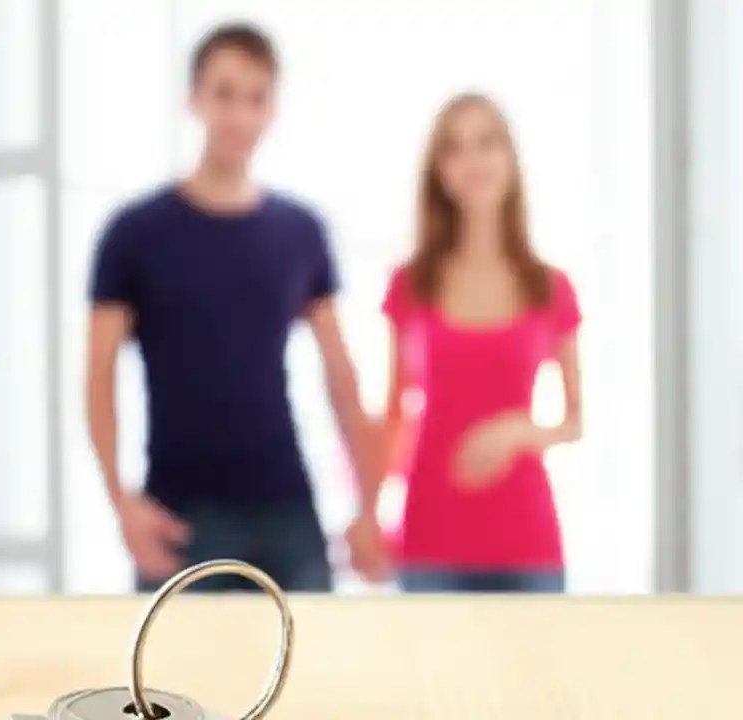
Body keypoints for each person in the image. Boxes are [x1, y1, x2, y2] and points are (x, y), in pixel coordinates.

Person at [85, 23, 378, 593]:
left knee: (309, 676)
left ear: (273, 108)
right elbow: (98, 376)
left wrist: (369, 505)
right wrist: (121, 503)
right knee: (177, 681)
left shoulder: (301, 232)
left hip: (290, 511)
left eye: (256, 97)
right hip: (181, 517)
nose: (239, 115)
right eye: (224, 94)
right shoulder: (135, 234)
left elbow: (341, 377)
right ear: (194, 99)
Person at [345, 93, 584, 593]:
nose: (473, 160)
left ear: (511, 159)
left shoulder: (550, 287)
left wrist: (520, 430)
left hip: (527, 541)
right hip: (430, 536)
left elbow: (573, 422)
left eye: (487, 143)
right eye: (454, 148)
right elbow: (395, 416)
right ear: (439, 172)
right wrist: (367, 513)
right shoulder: (410, 285)